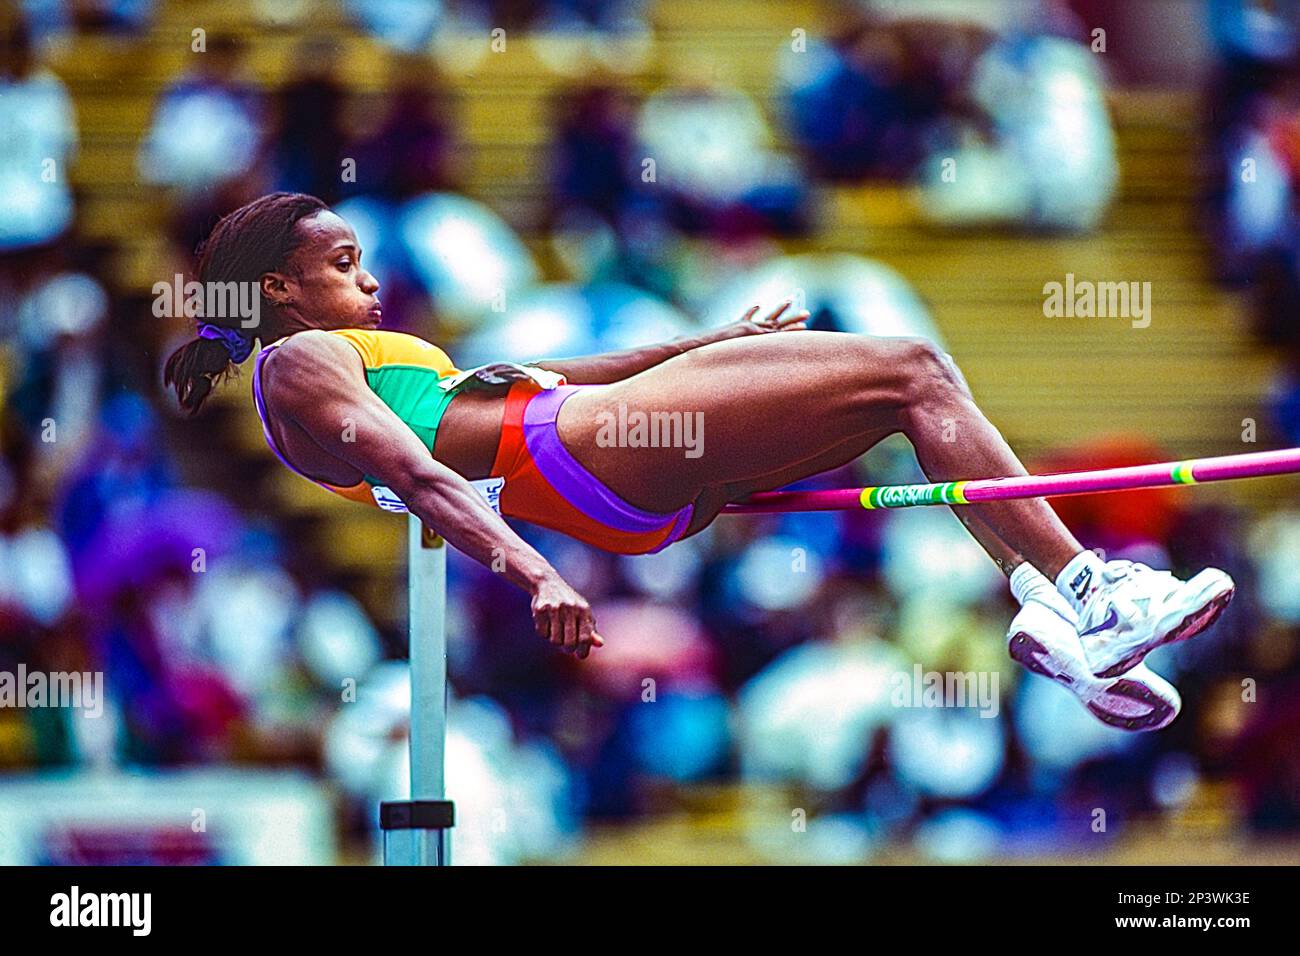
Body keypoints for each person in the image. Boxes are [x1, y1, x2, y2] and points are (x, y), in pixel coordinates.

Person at [164, 193, 1234, 732]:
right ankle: (1090, 590)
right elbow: (420, 475)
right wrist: (535, 573)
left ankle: (1052, 608)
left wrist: (712, 344)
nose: (369, 280)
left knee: (887, 414)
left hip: (598, 455)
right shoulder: (301, 361)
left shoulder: (373, 356)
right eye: (343, 266)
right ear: (279, 292)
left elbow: (564, 364)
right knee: (912, 369)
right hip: (586, 451)